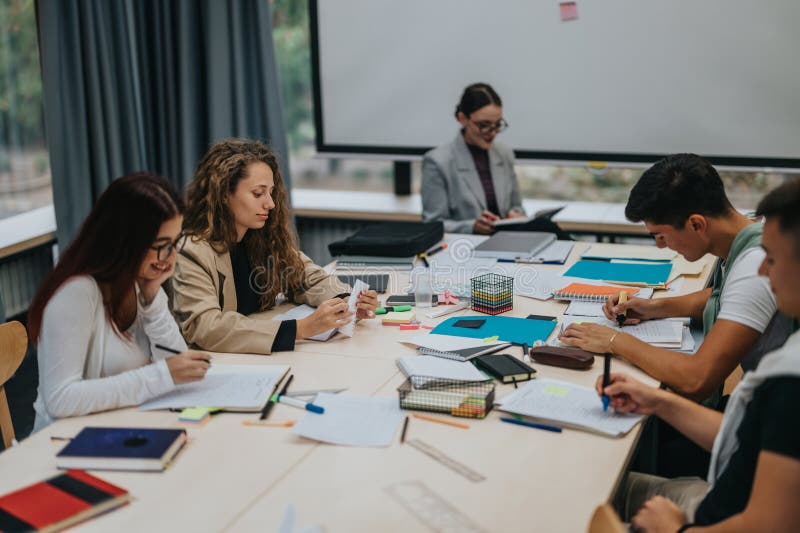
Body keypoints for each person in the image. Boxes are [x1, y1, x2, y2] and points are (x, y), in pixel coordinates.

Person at [599, 178, 800, 532]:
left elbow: (772, 524)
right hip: (731, 485)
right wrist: (656, 400)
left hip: (715, 515)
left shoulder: (790, 383)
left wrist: (677, 529)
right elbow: (748, 436)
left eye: (772, 259)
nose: (763, 272)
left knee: (596, 486)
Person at [561, 154, 792, 405]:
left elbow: (696, 379)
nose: (661, 247)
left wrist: (614, 341)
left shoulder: (755, 264)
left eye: (661, 236)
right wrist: (652, 307)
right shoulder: (751, 226)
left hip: (772, 420)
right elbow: (727, 295)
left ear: (695, 224)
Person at [28, 173, 210, 430]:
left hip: (121, 428)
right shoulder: (76, 292)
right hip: (64, 444)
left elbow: (180, 367)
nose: (170, 257)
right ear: (126, 242)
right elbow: (61, 399)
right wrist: (161, 376)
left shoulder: (135, 282)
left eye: (175, 242)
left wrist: (152, 296)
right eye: (161, 245)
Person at [172, 139, 378, 354]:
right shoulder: (192, 250)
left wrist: (347, 302)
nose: (270, 203)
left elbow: (307, 278)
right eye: (258, 194)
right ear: (224, 194)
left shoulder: (262, 236)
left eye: (271, 192)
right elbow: (208, 327)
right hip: (217, 364)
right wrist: (301, 328)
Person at [421, 82, 526, 234]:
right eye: (484, 125)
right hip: (465, 249)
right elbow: (433, 224)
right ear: (462, 118)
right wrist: (471, 227)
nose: (492, 132)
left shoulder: (505, 153)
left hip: (508, 242)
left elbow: (517, 206)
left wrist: (515, 215)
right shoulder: (437, 161)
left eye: (497, 124)